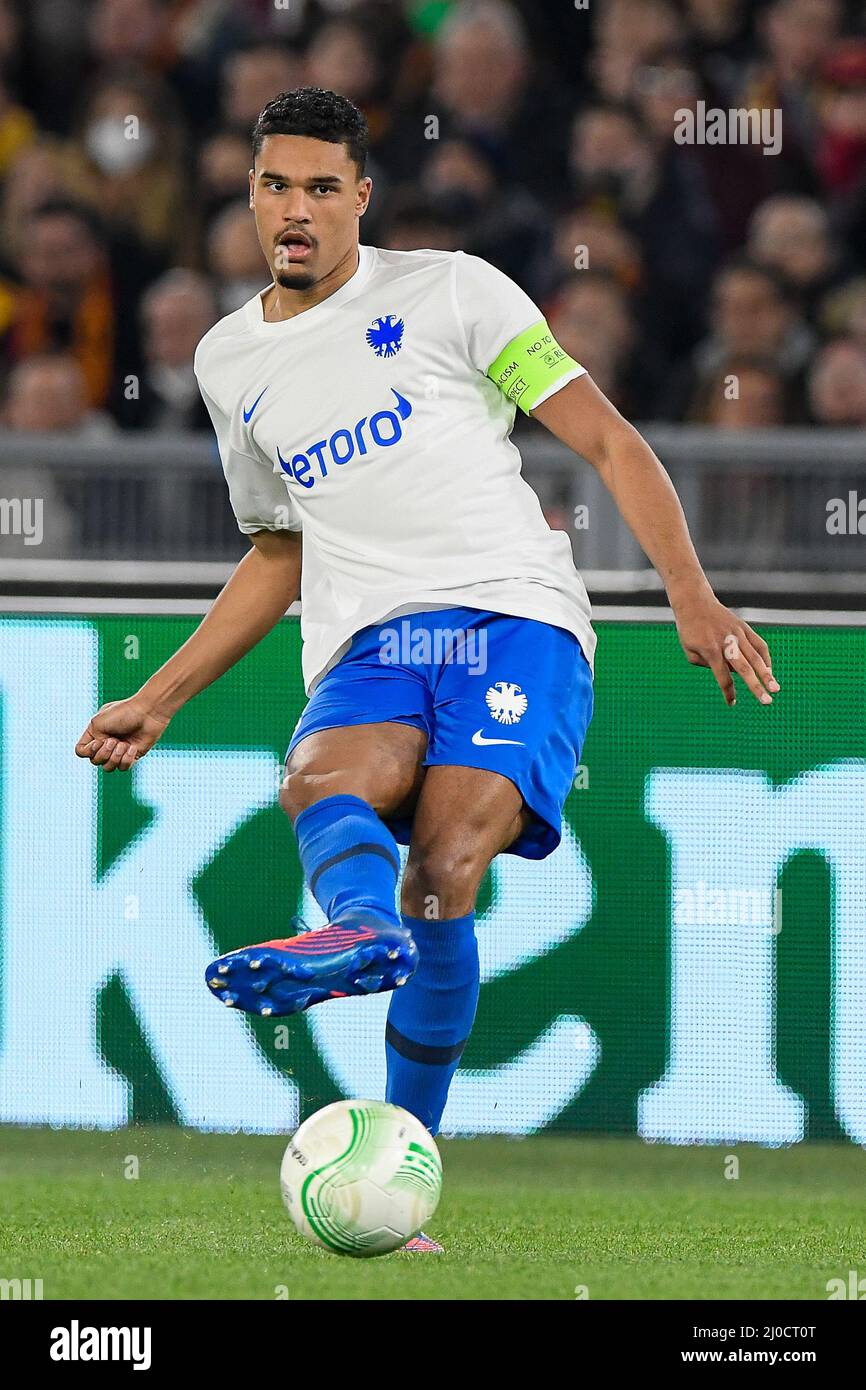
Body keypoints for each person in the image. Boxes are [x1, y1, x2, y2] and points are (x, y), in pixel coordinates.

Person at [75, 88, 779, 1249]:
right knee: (316, 777)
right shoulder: (226, 359)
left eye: (317, 187)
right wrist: (158, 696)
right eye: (271, 186)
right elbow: (277, 548)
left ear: (360, 196)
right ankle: (357, 935)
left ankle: (405, 1163)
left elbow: (604, 436)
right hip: (369, 634)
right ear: (248, 195)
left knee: (447, 864)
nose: (292, 211)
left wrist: (688, 594)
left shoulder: (451, 288)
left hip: (514, 615)